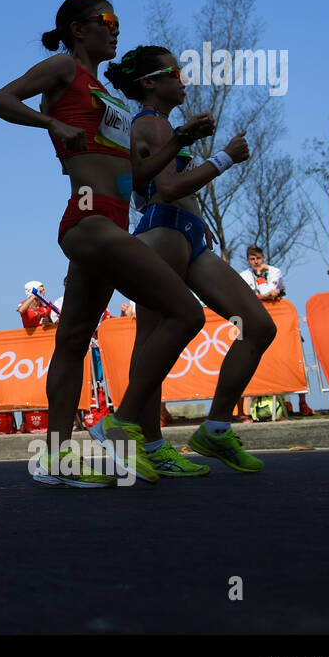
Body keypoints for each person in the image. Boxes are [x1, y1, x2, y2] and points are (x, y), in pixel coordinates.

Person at [0, 0, 212, 486]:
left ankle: (54, 458)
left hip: (110, 218)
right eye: (104, 20)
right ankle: (121, 421)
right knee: (185, 312)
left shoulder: (107, 95)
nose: (114, 29)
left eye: (116, 21)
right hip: (89, 218)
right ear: (75, 28)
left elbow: (135, 170)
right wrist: (50, 122)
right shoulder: (61, 68)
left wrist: (180, 142)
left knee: (71, 340)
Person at [110, 43, 273, 476]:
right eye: (175, 72)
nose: (182, 79)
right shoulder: (150, 123)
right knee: (152, 341)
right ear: (150, 83)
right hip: (160, 230)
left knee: (257, 326)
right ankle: (145, 442)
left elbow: (172, 181)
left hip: (188, 236)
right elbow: (166, 189)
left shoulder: (164, 125)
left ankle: (215, 429)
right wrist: (225, 158)